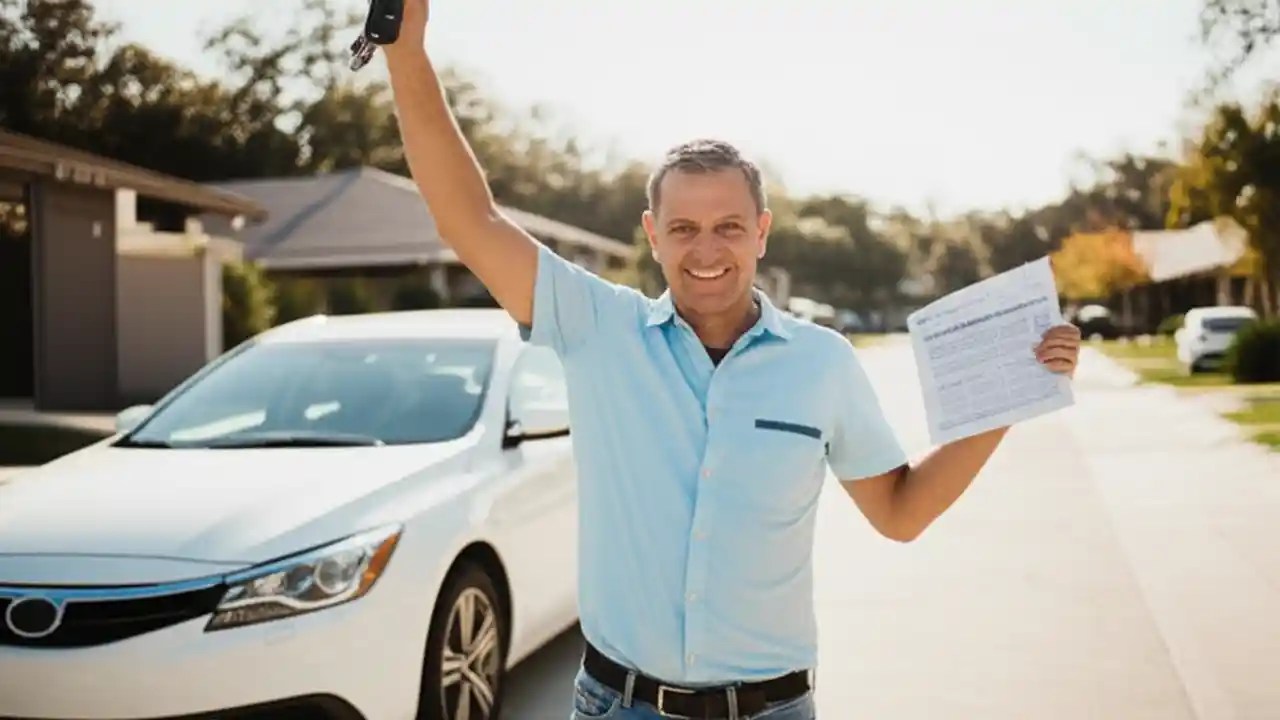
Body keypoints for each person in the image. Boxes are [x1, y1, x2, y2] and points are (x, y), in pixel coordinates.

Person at [382, 3, 1082, 718]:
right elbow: (471, 219)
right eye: (683, 228)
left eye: (729, 227)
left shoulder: (822, 363)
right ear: (652, 235)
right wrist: (407, 54)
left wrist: (1012, 393)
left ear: (762, 234)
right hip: (617, 706)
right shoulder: (597, 327)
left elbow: (901, 513)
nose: (707, 250)